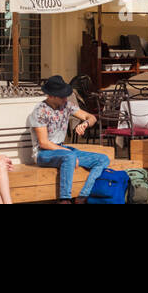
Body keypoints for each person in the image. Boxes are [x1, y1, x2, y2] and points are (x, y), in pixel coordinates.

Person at [30, 75, 108, 203]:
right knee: (70, 157)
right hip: (43, 153)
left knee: (102, 159)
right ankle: (65, 199)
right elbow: (44, 143)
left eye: (65, 95)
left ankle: (83, 196)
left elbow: (92, 117)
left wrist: (85, 124)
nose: (65, 98)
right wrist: (68, 153)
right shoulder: (40, 112)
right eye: (62, 96)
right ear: (51, 96)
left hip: (63, 149)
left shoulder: (66, 105)